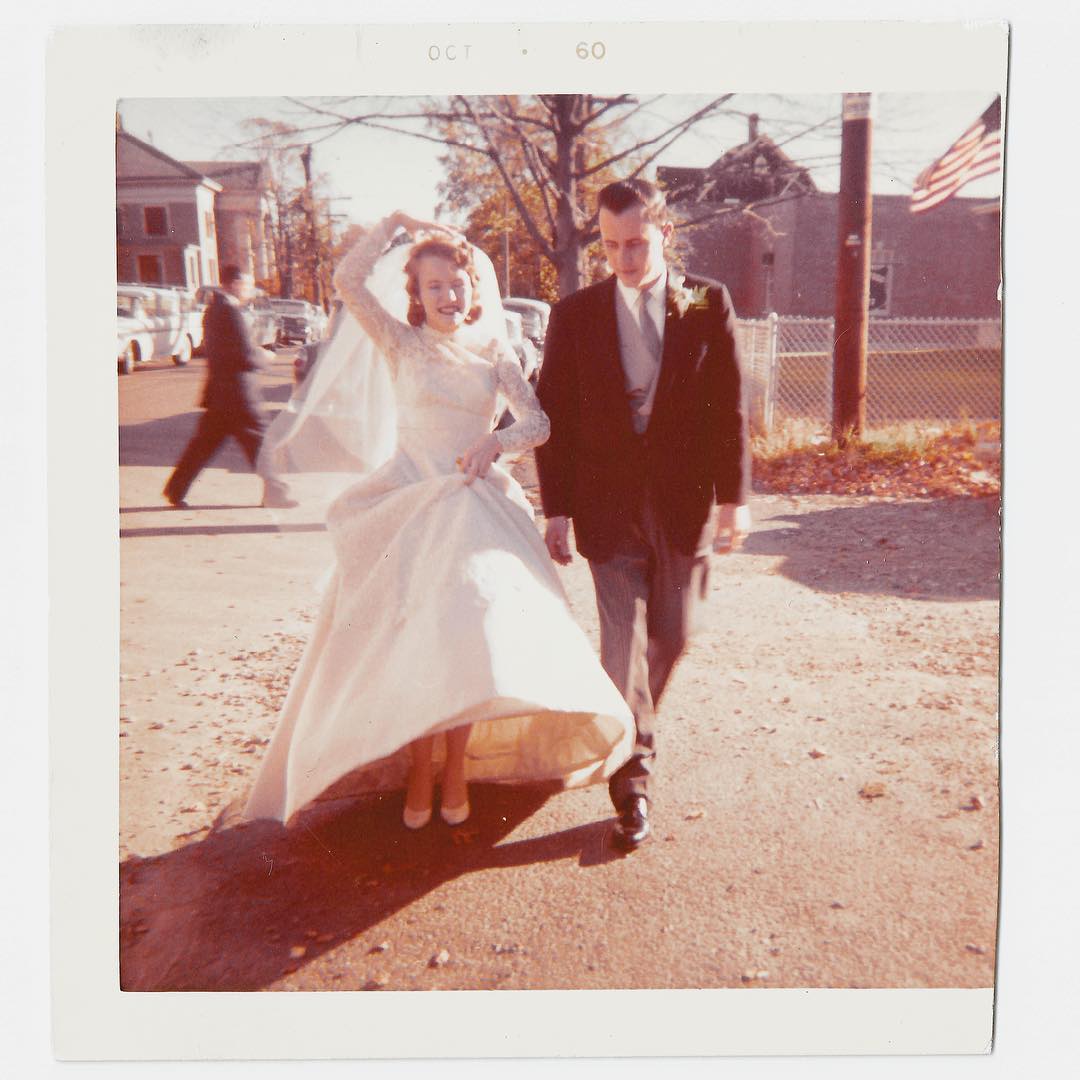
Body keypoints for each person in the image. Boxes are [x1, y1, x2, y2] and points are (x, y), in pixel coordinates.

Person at [242, 211, 634, 830]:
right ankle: (419, 768)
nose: (448, 296)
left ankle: (454, 768)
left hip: (474, 506)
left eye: (456, 284)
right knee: (416, 646)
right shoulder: (400, 342)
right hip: (408, 504)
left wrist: (495, 443)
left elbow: (538, 423)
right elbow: (347, 281)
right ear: (417, 294)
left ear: (473, 287)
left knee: (467, 645)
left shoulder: (497, 352)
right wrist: (394, 224)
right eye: (434, 287)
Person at [535, 178, 751, 852]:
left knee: (675, 633)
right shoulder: (575, 314)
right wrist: (556, 509)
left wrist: (735, 499)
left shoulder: (707, 301)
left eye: (636, 243)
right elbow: (554, 416)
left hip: (684, 502)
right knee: (622, 644)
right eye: (610, 245)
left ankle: (626, 717)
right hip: (606, 505)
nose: (623, 258)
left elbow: (730, 405)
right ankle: (633, 781)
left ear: (665, 234)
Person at [163, 265, 296, 509]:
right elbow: (242, 355)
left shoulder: (214, 309)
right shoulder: (230, 312)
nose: (250, 290)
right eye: (248, 285)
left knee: (203, 445)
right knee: (260, 443)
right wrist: (264, 357)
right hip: (239, 394)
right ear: (235, 284)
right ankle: (276, 494)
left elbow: (227, 350)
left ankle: (175, 489)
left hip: (220, 394)